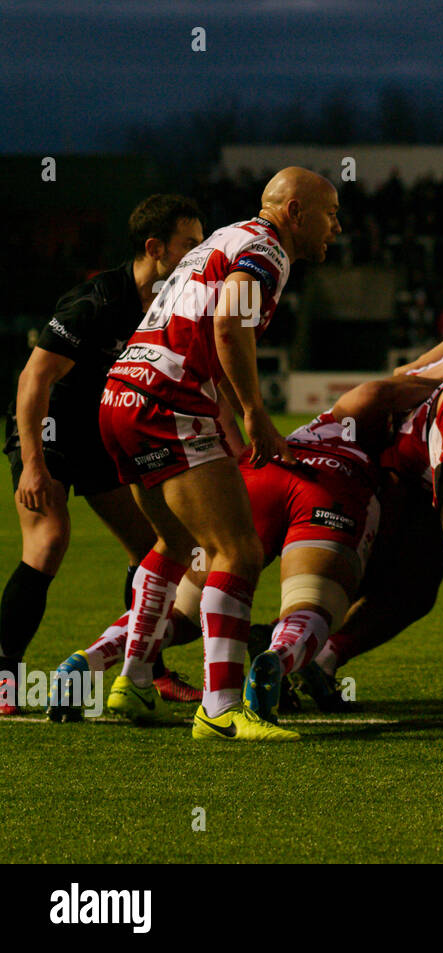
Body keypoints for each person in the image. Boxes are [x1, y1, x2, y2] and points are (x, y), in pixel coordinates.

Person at [98, 167, 340, 742]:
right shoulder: (266, 250)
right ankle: (222, 707)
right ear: (296, 212)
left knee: (175, 543)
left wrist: (228, 409)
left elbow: (209, 327)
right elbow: (231, 324)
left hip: (122, 392)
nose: (336, 227)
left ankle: (131, 678)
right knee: (238, 550)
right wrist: (254, 412)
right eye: (330, 214)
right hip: (168, 400)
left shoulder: (224, 238)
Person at [1, 195, 204, 714]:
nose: (199, 254)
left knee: (152, 548)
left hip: (99, 433)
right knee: (48, 540)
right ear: (154, 248)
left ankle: (146, 671)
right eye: (189, 244)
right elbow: (34, 379)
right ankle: (4, 675)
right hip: (46, 427)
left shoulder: (170, 303)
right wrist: (32, 463)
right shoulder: (94, 302)